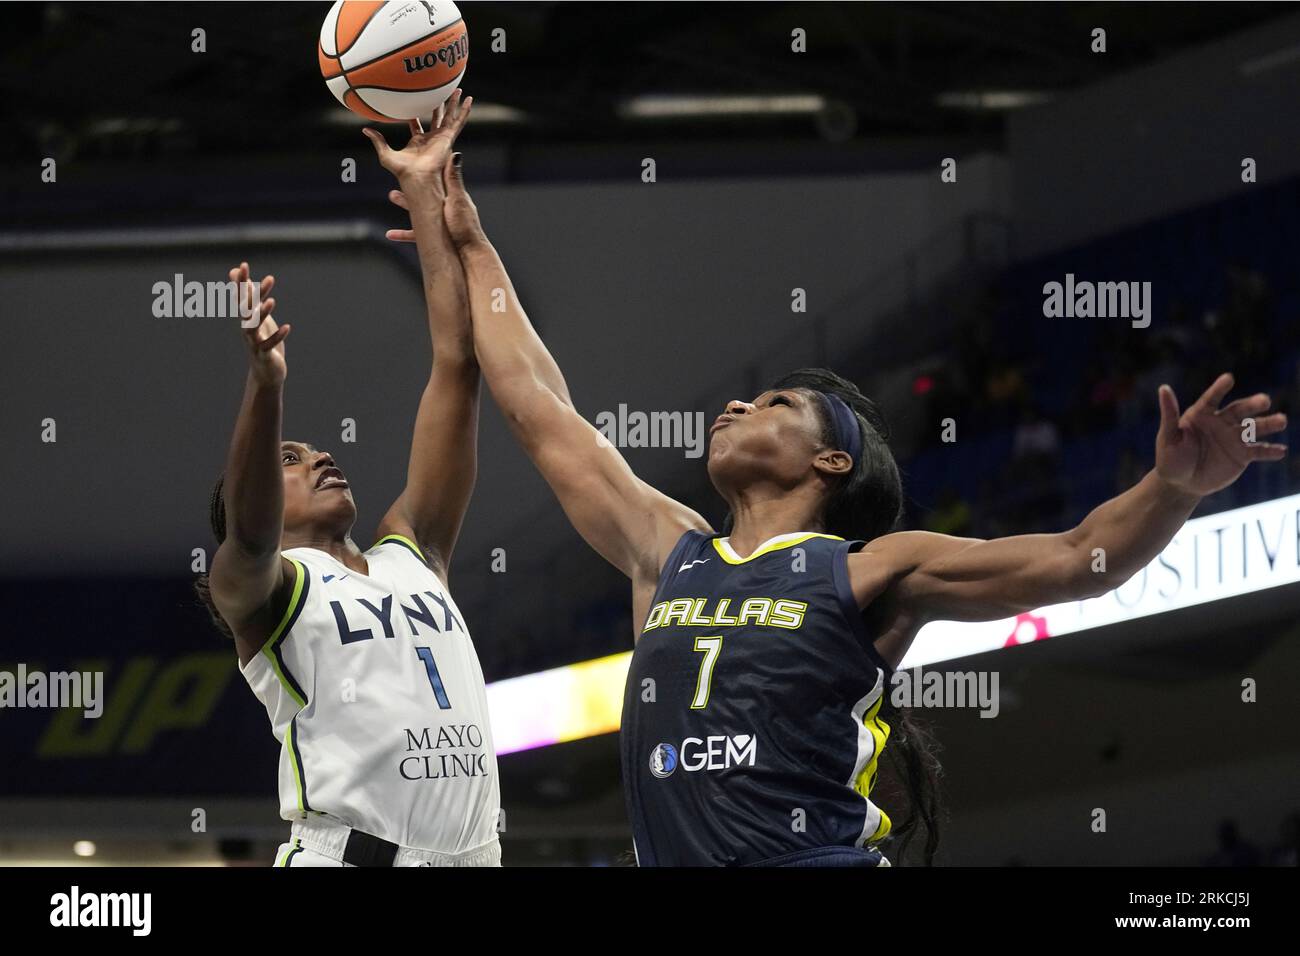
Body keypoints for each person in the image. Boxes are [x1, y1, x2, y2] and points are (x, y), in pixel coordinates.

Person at [378, 104, 1287, 866]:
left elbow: (1072, 559)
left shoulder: (868, 571)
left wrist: (1174, 487)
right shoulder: (669, 552)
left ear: (831, 461)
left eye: (774, 401)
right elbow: (538, 406)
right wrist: (467, 236)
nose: (737, 402)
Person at [195, 93, 501, 867]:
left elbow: (458, 368)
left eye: (312, 451)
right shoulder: (261, 590)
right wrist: (266, 385)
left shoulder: (414, 550)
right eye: (288, 460)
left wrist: (430, 208)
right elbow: (253, 531)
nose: (319, 458)